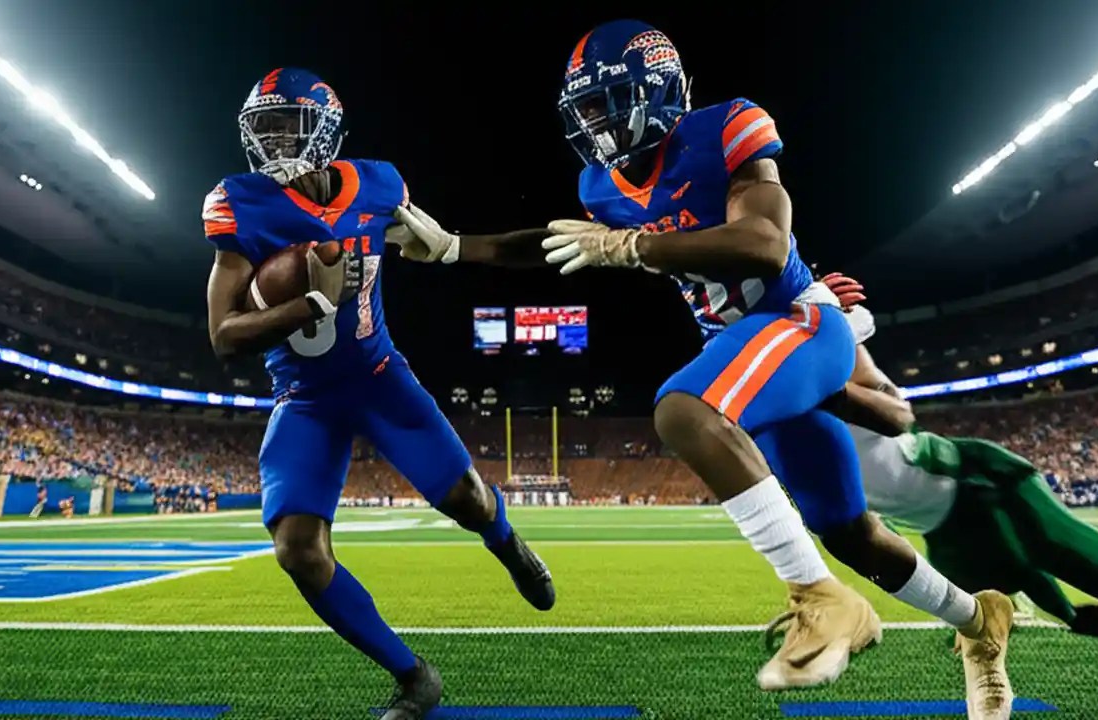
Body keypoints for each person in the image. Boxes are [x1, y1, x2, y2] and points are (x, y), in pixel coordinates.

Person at [390, 21, 1013, 715]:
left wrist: (635, 247)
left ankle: (819, 599)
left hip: (797, 323)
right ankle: (979, 620)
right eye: (583, 111)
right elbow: (556, 242)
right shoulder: (601, 185)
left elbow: (765, 242)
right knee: (850, 532)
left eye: (605, 104)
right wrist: (453, 248)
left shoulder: (726, 129)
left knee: (684, 410)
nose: (594, 126)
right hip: (744, 351)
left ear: (657, 90)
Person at [202, 68, 554, 719]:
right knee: (297, 550)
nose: (274, 141)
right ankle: (413, 676)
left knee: (468, 499)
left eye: (288, 125)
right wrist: (308, 303)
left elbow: (451, 247)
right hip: (304, 396)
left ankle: (506, 541)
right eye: (264, 128)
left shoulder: (379, 185)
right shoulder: (238, 201)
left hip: (379, 376)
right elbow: (224, 336)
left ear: (326, 132)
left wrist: (443, 247)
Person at [823, 274, 1098, 645]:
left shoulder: (827, 356)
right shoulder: (784, 430)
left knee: (1079, 556)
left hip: (976, 479)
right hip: (944, 533)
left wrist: (823, 376)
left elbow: (896, 413)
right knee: (1045, 605)